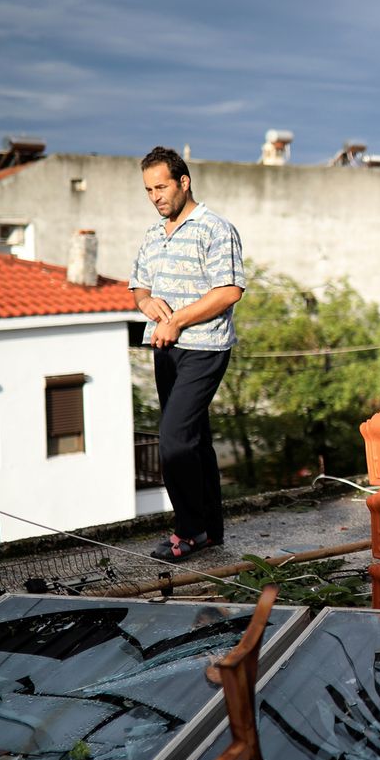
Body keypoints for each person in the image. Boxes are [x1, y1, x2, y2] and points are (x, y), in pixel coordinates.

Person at [129, 147, 245, 560]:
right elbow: (139, 287)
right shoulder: (152, 235)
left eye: (161, 186)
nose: (155, 196)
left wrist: (178, 320)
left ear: (184, 182)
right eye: (148, 189)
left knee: (173, 440)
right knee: (195, 441)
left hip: (205, 348)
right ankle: (211, 530)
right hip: (165, 349)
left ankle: (189, 530)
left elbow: (229, 290)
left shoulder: (215, 229)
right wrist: (147, 305)